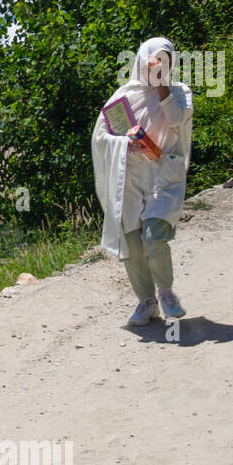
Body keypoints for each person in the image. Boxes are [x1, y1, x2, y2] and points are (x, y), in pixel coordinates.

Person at [92, 37, 194, 326]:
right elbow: (100, 138)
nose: (160, 65)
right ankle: (146, 301)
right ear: (141, 60)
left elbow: (175, 119)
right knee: (133, 244)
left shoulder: (179, 92)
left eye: (166, 60)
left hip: (163, 174)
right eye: (155, 59)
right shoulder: (123, 97)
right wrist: (124, 144)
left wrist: (162, 85)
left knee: (154, 236)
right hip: (130, 175)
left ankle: (166, 293)